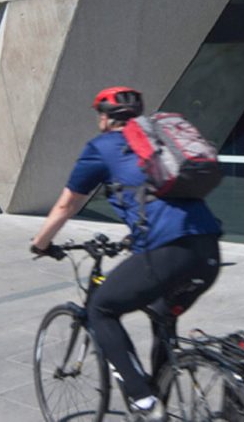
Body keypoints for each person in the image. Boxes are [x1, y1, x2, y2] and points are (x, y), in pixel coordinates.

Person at [30, 86, 221, 421]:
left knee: (100, 308)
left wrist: (40, 243)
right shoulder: (159, 146)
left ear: (105, 118)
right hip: (208, 252)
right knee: (163, 313)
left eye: (99, 115)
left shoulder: (102, 147)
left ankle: (145, 401)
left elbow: (66, 205)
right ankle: (161, 388)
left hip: (168, 253)